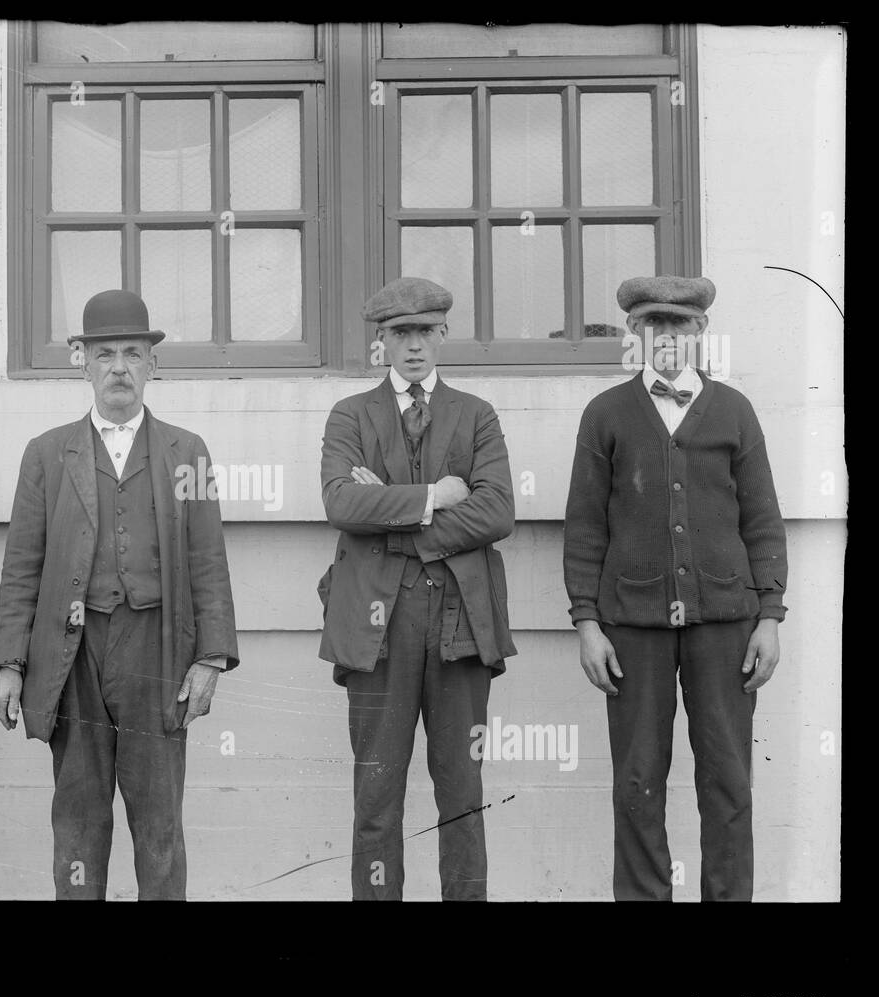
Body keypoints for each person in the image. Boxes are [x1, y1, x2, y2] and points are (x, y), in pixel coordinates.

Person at [0, 289, 239, 900]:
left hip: (157, 652)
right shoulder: (46, 455)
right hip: (72, 654)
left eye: (132, 353)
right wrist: (9, 664)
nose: (120, 367)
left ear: (152, 365)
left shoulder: (189, 452)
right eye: (105, 354)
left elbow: (208, 559)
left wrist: (210, 658)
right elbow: (21, 566)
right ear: (83, 360)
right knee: (77, 818)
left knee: (158, 824)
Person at [563, 275, 786, 901]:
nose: (667, 336)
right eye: (654, 325)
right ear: (636, 332)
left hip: (727, 623)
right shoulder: (606, 413)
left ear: (700, 332)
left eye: (679, 325)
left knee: (729, 780)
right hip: (631, 625)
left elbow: (762, 518)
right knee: (636, 780)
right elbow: (584, 527)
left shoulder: (734, 410)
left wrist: (769, 615)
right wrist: (587, 622)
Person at [318, 277, 517, 900]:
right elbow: (342, 502)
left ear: (443, 335)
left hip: (461, 622)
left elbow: (497, 513)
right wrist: (435, 496)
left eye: (425, 332)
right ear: (381, 341)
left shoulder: (476, 414)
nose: (413, 347)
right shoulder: (350, 414)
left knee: (462, 792)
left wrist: (396, 519)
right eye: (400, 334)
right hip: (378, 628)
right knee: (376, 792)